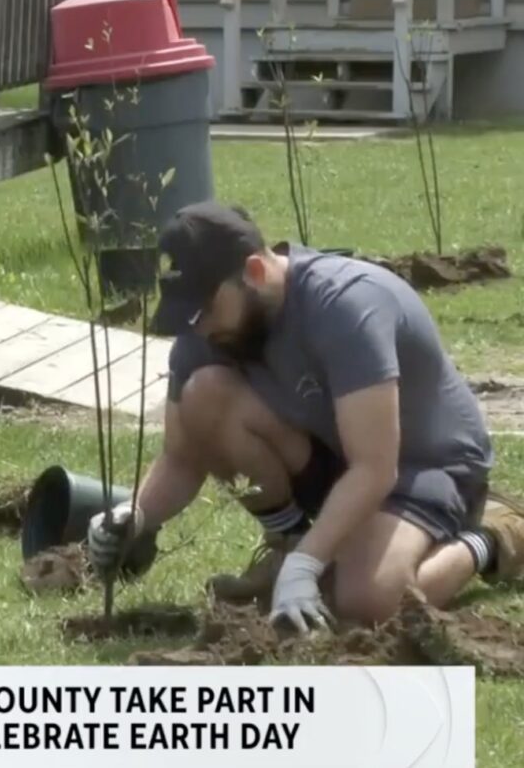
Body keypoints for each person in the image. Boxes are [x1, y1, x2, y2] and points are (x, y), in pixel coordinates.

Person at [86, 200, 523, 633]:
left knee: (366, 602)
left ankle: (493, 534)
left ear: (255, 273)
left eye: (204, 311)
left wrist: (309, 565)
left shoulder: (347, 307)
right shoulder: (214, 326)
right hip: (336, 454)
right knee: (205, 394)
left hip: (422, 467)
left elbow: (375, 469)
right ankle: (287, 545)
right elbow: (181, 459)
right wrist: (135, 514)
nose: (198, 329)